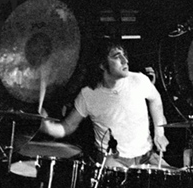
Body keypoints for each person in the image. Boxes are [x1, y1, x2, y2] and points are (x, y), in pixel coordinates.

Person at [40, 38, 169, 168]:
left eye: (124, 55)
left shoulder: (139, 80)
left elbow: (155, 100)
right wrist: (46, 126)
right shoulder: (89, 94)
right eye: (117, 57)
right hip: (112, 160)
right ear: (102, 65)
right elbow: (68, 126)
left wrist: (160, 133)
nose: (125, 60)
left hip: (146, 157)